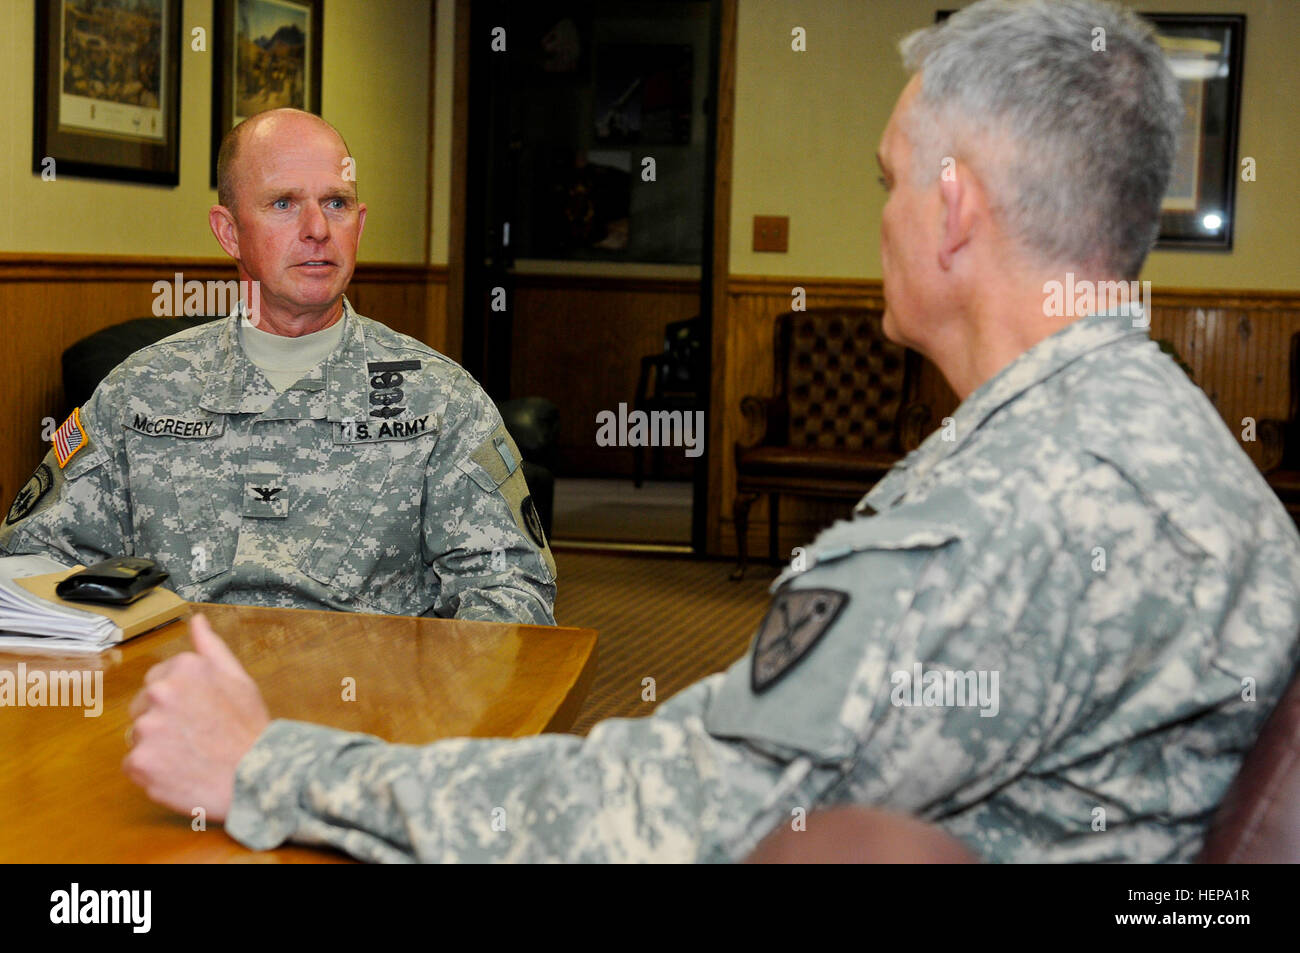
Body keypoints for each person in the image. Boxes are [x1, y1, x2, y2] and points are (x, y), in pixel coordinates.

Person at [124, 0, 1300, 862]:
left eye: (887, 179)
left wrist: (266, 765)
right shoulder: (1150, 430)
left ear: (950, 211)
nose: (879, 215)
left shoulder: (1007, 518)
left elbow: (666, 813)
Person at [1, 109, 555, 625]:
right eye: (283, 204)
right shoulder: (139, 393)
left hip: (366, 710)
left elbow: (513, 591)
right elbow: (30, 559)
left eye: (336, 203)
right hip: (180, 704)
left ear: (358, 227)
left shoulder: (439, 400)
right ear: (229, 232)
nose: (317, 228)